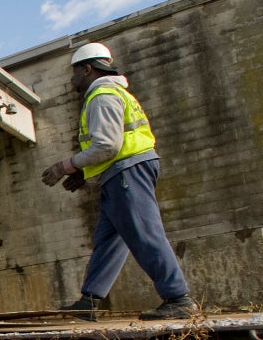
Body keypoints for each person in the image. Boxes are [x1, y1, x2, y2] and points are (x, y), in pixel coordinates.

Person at [41, 42, 196, 321]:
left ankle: (178, 297)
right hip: (121, 171)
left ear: (87, 69)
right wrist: (83, 173)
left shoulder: (101, 96)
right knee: (109, 239)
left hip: (127, 171)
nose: (72, 80)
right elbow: (111, 146)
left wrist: (65, 166)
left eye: (74, 73)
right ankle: (90, 300)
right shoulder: (113, 92)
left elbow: (106, 146)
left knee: (144, 232)